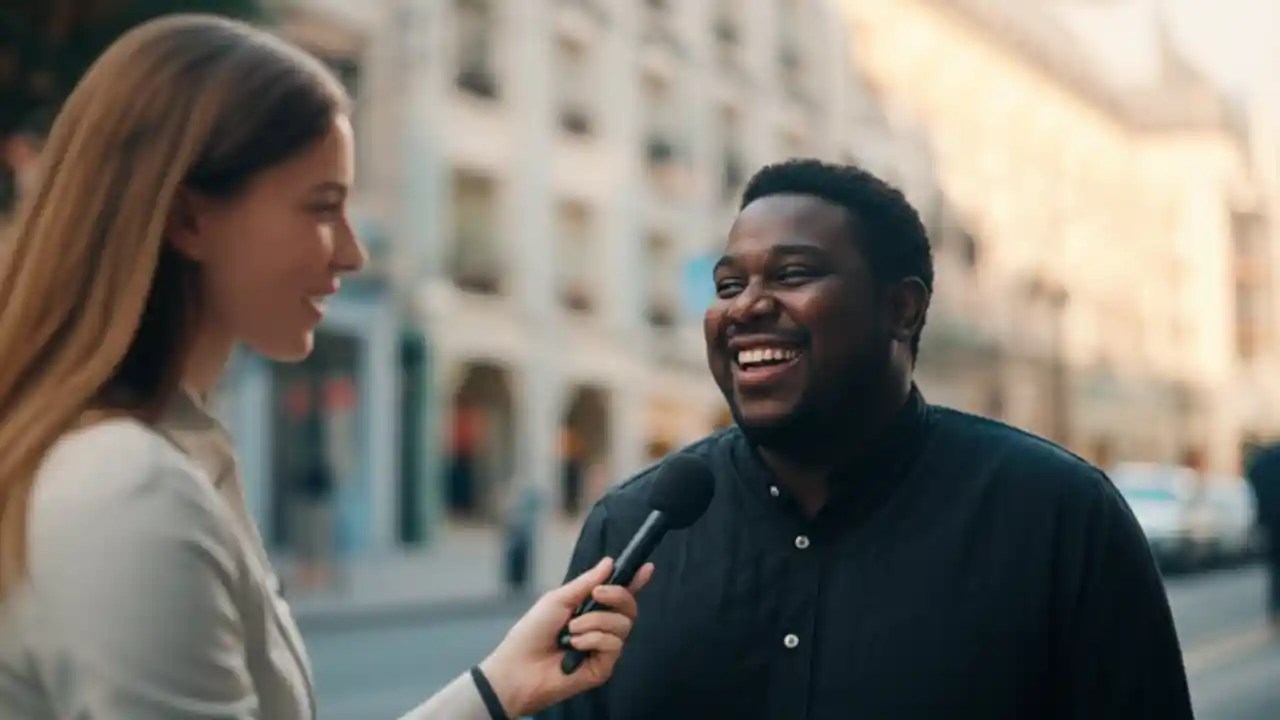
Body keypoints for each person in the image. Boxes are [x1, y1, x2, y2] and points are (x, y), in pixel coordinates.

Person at [0, 14, 652, 720]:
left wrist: (498, 689)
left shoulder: (160, 456)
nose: (351, 252)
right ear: (189, 219)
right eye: (322, 208)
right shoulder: (126, 486)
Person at [540, 159, 1192, 719]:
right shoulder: (628, 530)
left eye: (793, 274)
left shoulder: (1060, 517)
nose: (745, 307)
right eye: (729, 286)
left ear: (901, 309)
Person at [1246, 442, 1280, 626]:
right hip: (1271, 521)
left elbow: (1253, 475)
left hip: (1270, 521)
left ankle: (1276, 606)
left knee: (1275, 567)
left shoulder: (1263, 461)